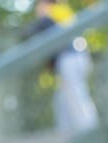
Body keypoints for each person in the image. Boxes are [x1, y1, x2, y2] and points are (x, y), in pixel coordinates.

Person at [29, 0, 99, 134]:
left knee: (75, 94)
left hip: (70, 57)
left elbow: (37, 29)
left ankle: (89, 131)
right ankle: (67, 132)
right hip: (77, 56)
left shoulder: (53, 12)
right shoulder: (62, 11)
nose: (37, 9)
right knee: (64, 97)